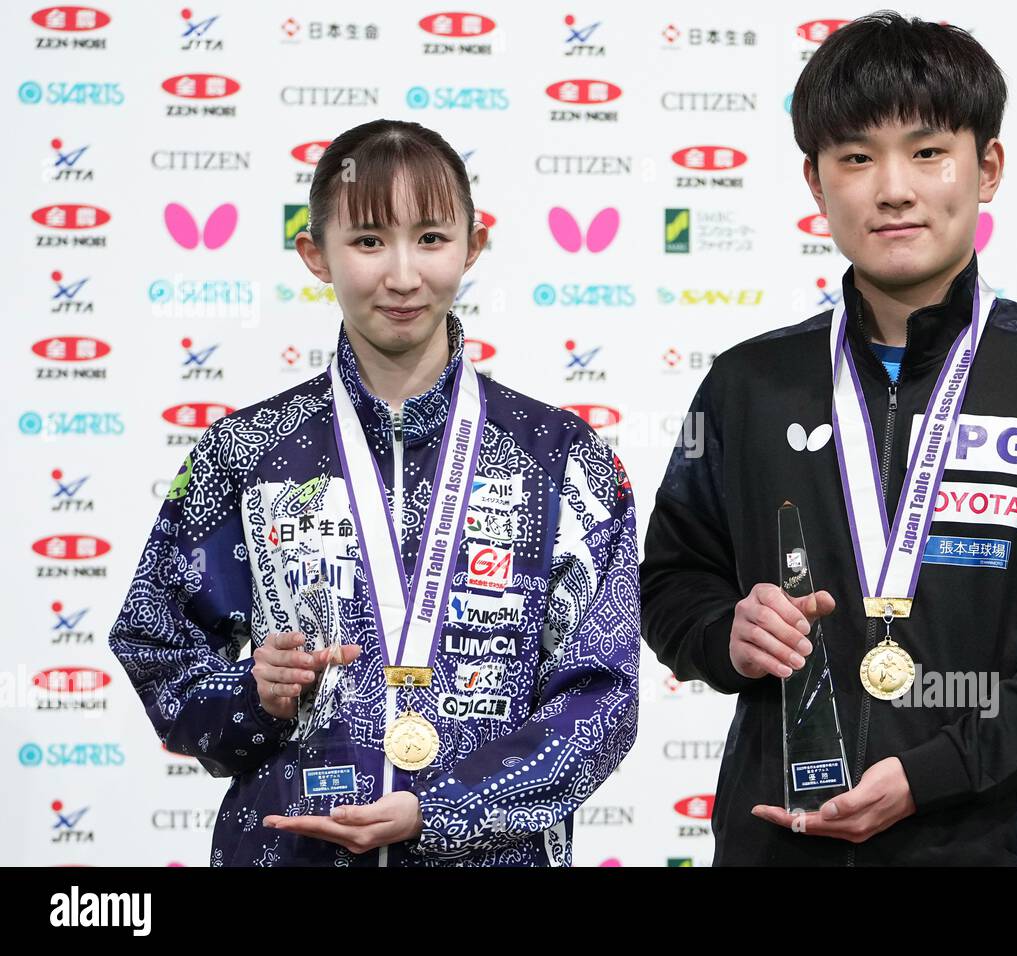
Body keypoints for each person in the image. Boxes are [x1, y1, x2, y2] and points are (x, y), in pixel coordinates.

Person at [640, 11, 1017, 865]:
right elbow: (671, 581)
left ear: (986, 168)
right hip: (781, 839)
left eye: (927, 152)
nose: (893, 188)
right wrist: (722, 635)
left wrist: (938, 771)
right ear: (816, 184)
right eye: (855, 157)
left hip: (998, 839)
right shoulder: (747, 383)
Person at [109, 118, 639, 867]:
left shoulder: (562, 459)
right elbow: (155, 644)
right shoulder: (245, 452)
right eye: (366, 241)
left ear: (473, 246)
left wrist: (444, 809)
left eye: (430, 238)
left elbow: (601, 699)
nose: (401, 275)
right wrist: (252, 695)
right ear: (314, 254)